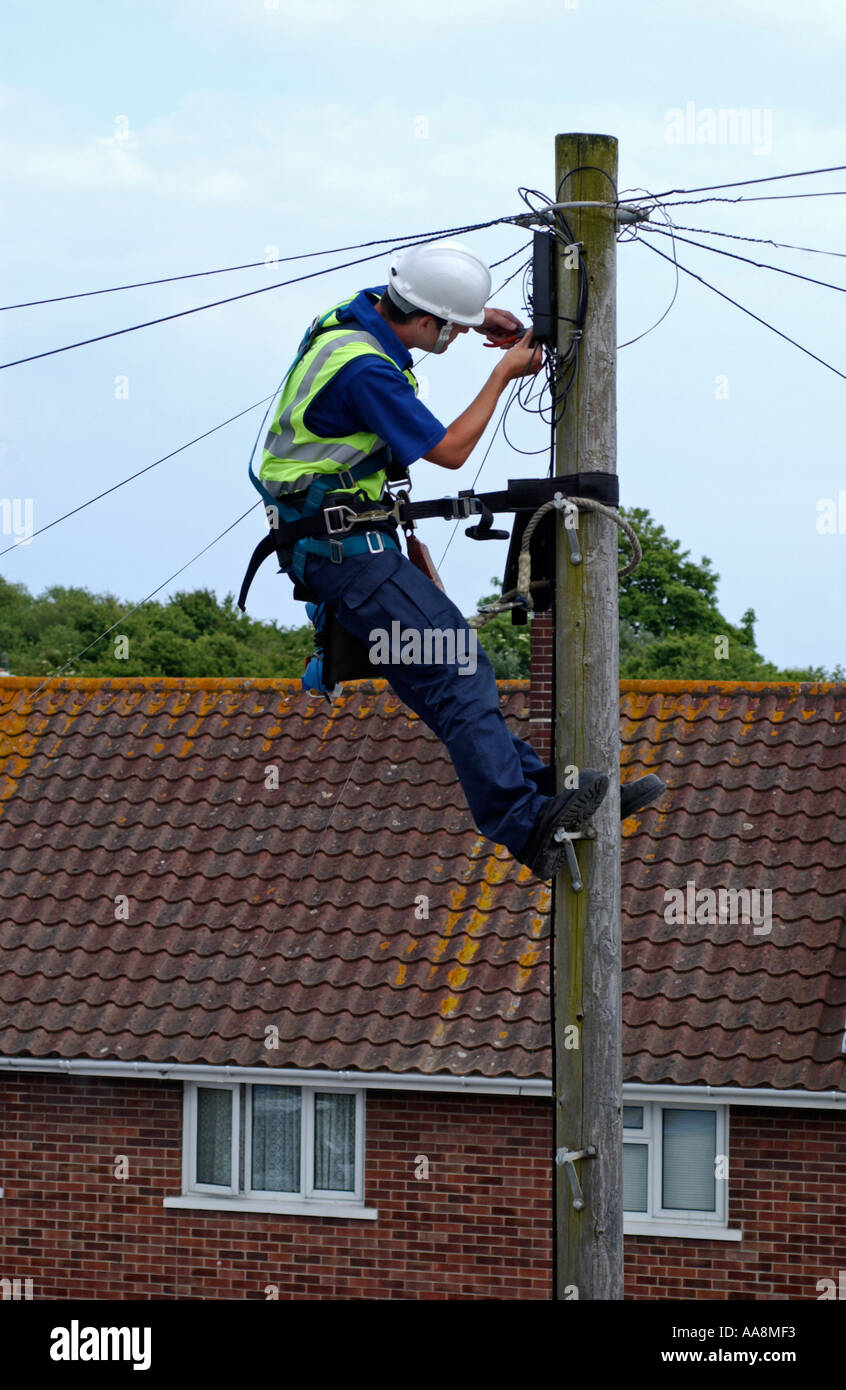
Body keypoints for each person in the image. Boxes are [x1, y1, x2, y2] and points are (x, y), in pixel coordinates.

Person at [254, 240, 664, 877]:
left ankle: (550, 801)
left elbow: (410, 310)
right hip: (347, 553)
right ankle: (528, 827)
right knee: (459, 670)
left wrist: (476, 317)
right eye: (447, 328)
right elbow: (447, 451)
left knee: (451, 688)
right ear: (422, 321)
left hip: (342, 549)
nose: (451, 337)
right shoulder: (365, 369)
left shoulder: (350, 318)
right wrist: (499, 375)